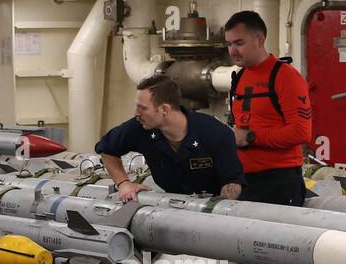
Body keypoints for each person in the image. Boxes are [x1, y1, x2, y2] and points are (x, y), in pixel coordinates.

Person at [96, 74, 243, 202]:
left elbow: (232, 183)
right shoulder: (139, 128)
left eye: (143, 108)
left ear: (165, 109)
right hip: (171, 206)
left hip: (211, 212)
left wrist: (215, 214)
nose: (136, 113)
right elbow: (107, 149)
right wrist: (123, 183)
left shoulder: (215, 133)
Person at [224, 10, 312, 207]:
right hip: (245, 180)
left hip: (278, 182)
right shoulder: (239, 77)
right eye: (229, 44)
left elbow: (301, 132)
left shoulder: (286, 77)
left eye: (239, 43)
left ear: (260, 39)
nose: (232, 51)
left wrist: (250, 137)